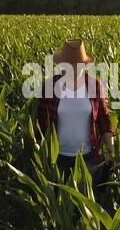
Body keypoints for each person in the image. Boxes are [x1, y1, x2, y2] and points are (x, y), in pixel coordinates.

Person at [36, 39, 115, 194]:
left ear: (85, 65)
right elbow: (41, 125)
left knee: (87, 209)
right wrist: (41, 158)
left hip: (88, 159)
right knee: (61, 209)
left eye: (77, 65)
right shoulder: (50, 87)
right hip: (57, 160)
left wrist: (112, 152)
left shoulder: (95, 85)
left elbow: (104, 121)